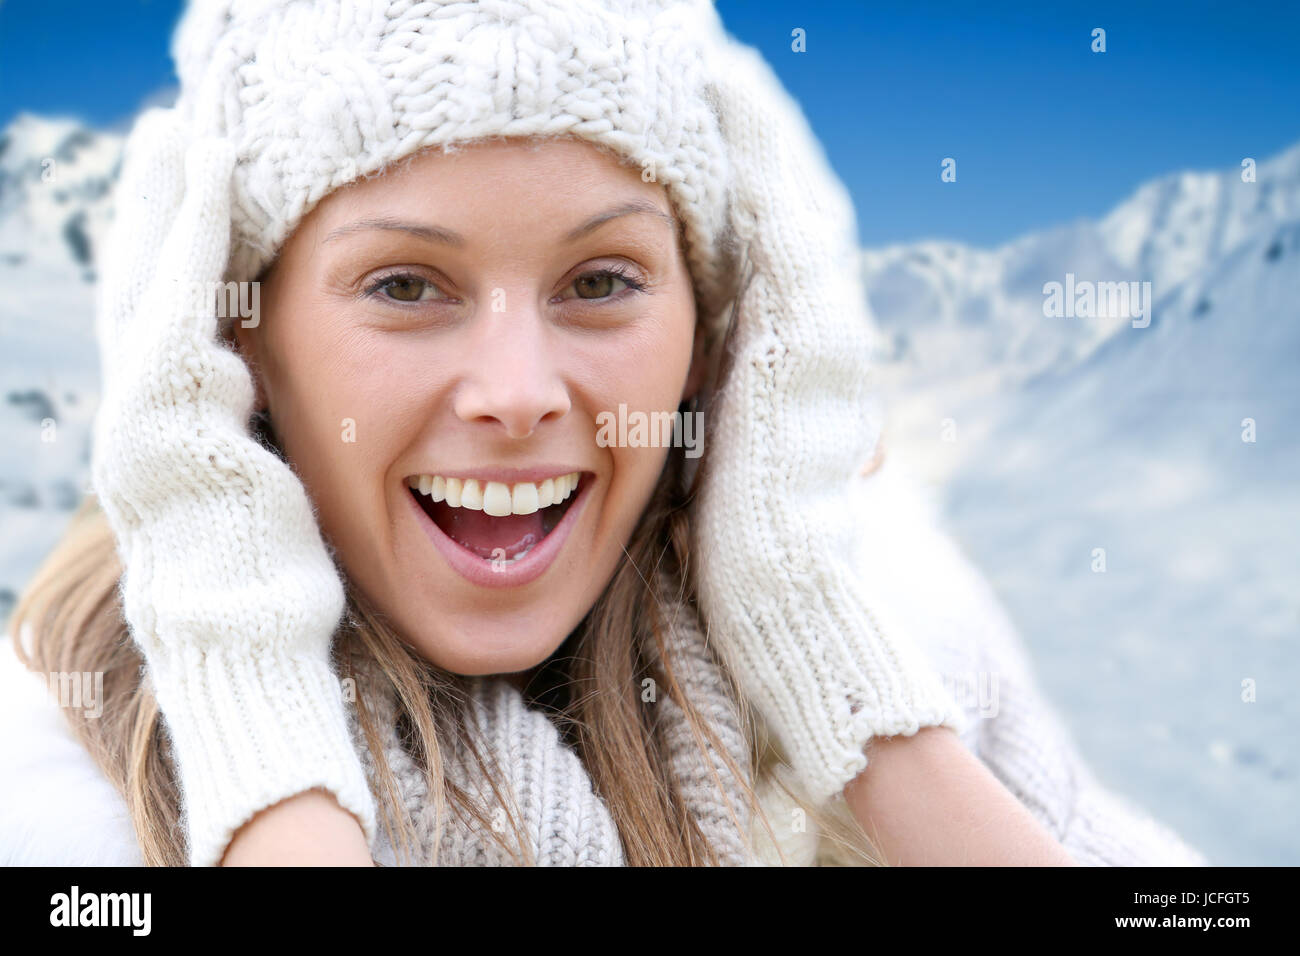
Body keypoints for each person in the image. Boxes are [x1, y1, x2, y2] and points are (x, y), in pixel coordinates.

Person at [2, 0, 1208, 867]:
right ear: (234, 335)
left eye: (602, 279)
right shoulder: (60, 782)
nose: (516, 394)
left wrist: (841, 684)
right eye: (406, 285)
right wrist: (259, 727)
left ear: (719, 329)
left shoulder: (891, 612)